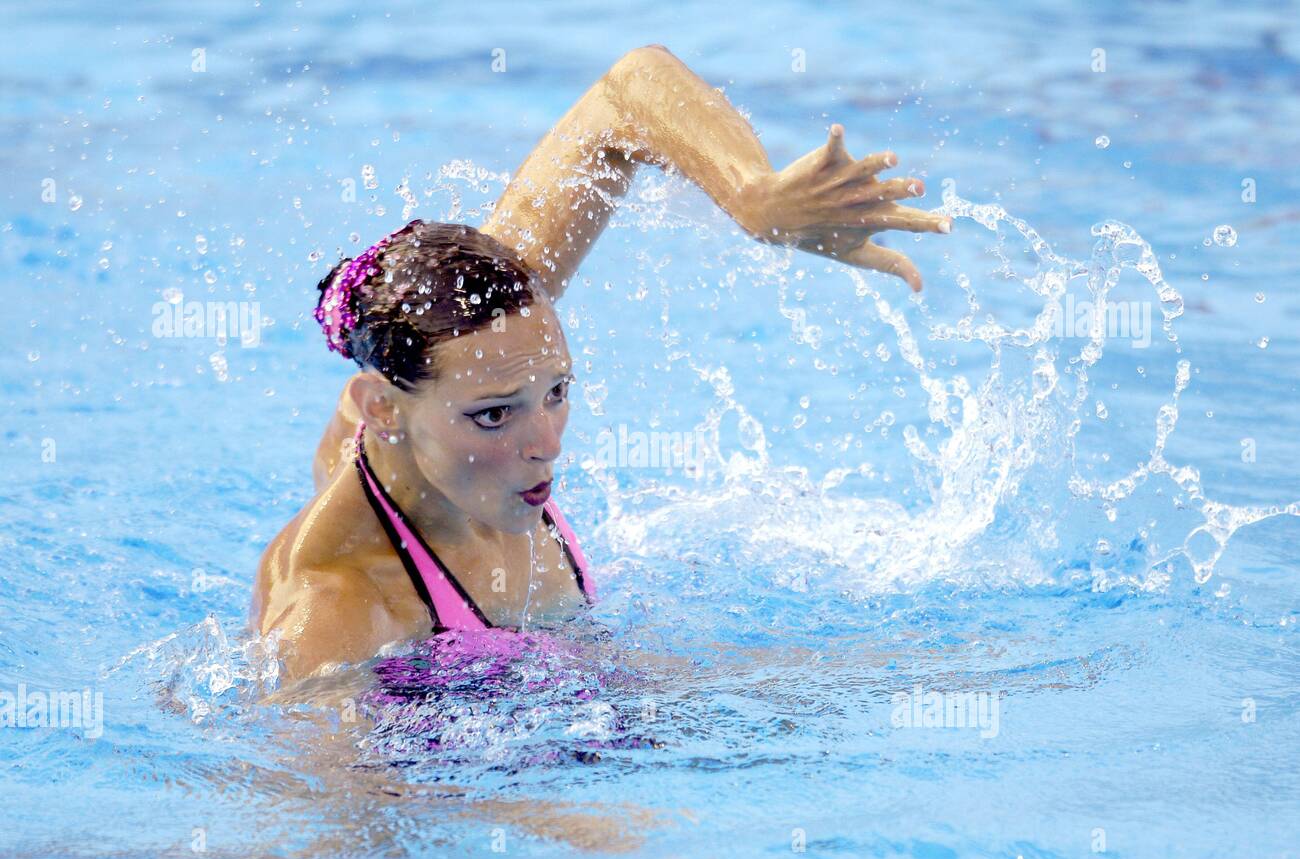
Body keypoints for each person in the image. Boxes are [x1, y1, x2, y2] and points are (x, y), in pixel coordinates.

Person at [251, 44, 951, 680]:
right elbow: (335, 809)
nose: (547, 444)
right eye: (495, 416)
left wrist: (755, 197)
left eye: (557, 391)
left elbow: (630, 91)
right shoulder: (333, 613)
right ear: (381, 408)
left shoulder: (491, 327)